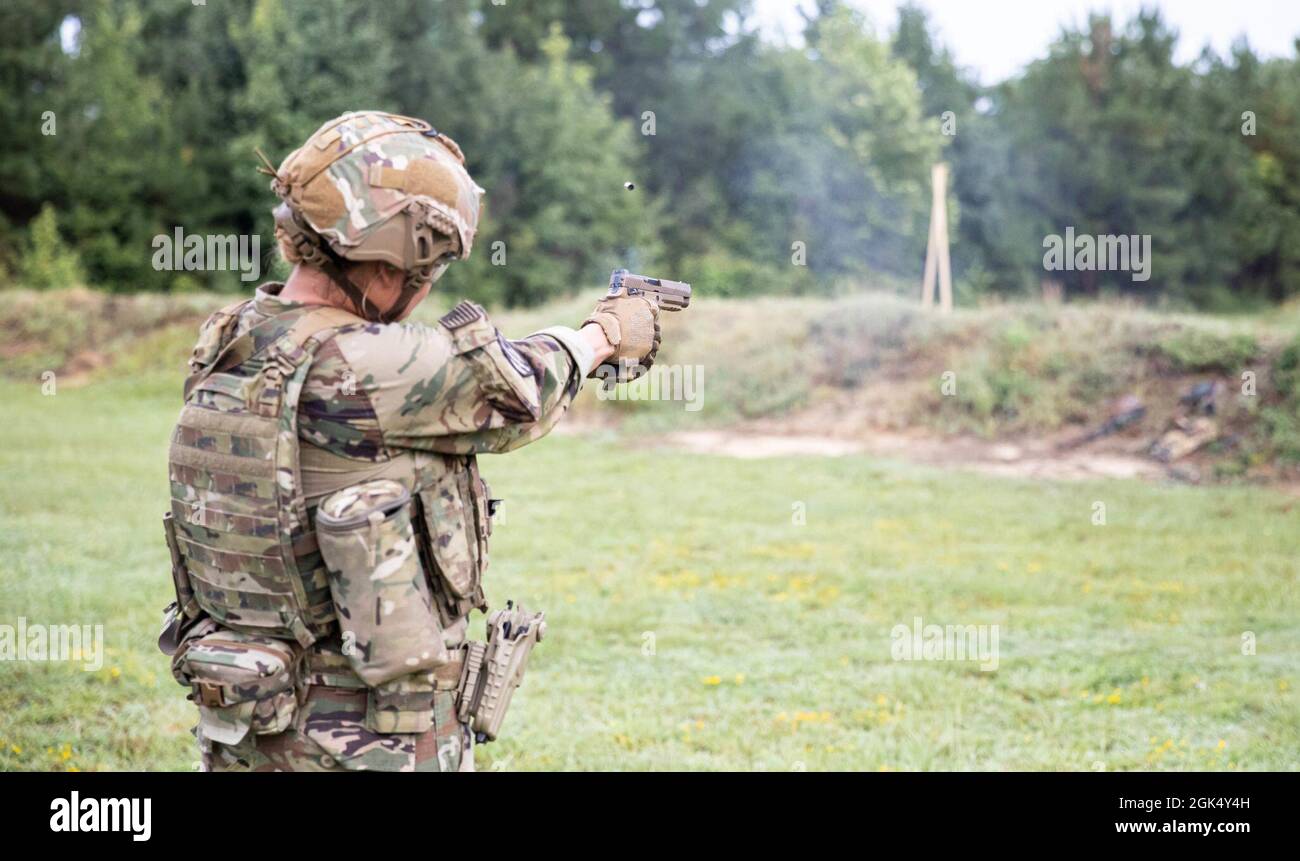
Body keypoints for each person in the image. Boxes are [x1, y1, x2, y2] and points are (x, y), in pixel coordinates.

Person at [159, 111, 661, 771]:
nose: (427, 289)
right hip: (368, 744)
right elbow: (523, 390)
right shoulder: (363, 364)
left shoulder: (234, 336)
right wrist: (605, 333)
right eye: (431, 270)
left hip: (249, 726)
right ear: (395, 261)